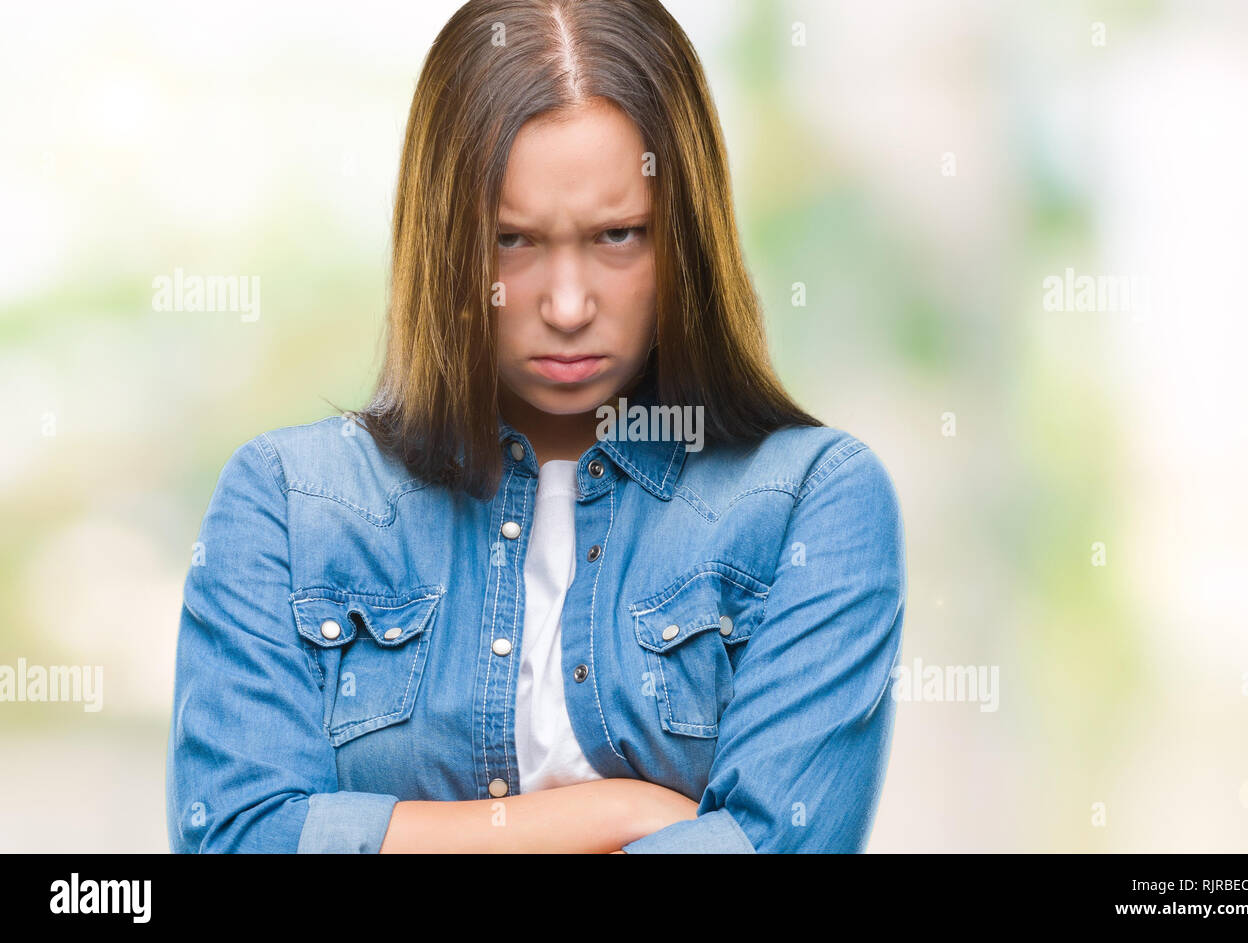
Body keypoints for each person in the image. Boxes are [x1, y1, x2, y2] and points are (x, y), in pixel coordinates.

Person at [165, 0, 906, 853]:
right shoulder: (288, 504)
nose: (566, 306)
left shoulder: (812, 500)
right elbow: (234, 838)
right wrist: (618, 813)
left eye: (618, 235)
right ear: (443, 239)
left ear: (688, 235)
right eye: (512, 240)